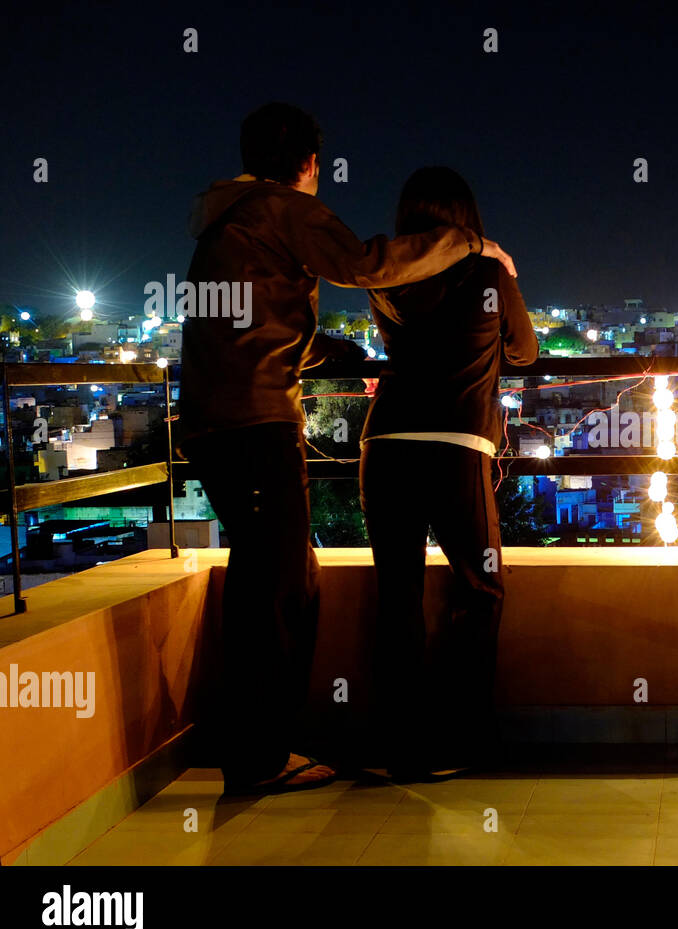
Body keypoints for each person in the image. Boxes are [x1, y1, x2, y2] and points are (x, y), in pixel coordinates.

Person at [178, 104, 517, 795]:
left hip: (218, 422)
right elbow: (368, 263)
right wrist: (469, 245)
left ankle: (269, 743)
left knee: (276, 578)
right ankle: (260, 757)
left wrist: (337, 350)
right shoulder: (280, 209)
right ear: (307, 164)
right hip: (254, 422)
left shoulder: (223, 220)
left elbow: (256, 324)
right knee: (281, 589)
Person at [359, 166, 538, 780]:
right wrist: (503, 270)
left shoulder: (387, 283)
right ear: (468, 218)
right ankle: (467, 740)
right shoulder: (488, 272)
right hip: (458, 443)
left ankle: (401, 748)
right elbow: (525, 351)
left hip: (385, 444)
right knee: (480, 591)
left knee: (398, 596)